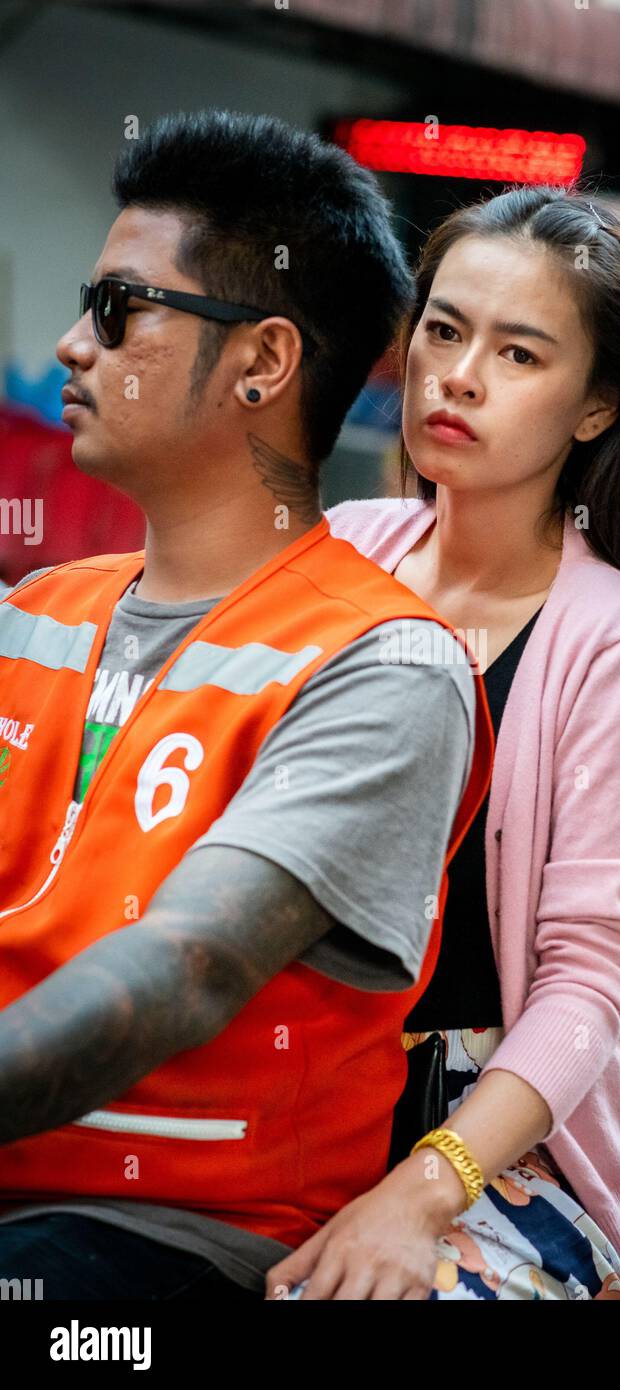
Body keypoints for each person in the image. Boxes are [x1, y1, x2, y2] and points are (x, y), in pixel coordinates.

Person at [0, 108, 495, 1300]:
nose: (72, 345)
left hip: (168, 1239)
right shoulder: (37, 609)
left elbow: (192, 964)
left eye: (120, 310)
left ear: (264, 361)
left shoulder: (384, 667)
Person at [265, 185, 620, 1302]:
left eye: (518, 355)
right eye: (444, 329)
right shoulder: (337, 555)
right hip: (292, 1083)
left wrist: (425, 1187)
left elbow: (587, 979)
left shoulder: (618, 644)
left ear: (595, 407)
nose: (457, 375)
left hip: (495, 1135)